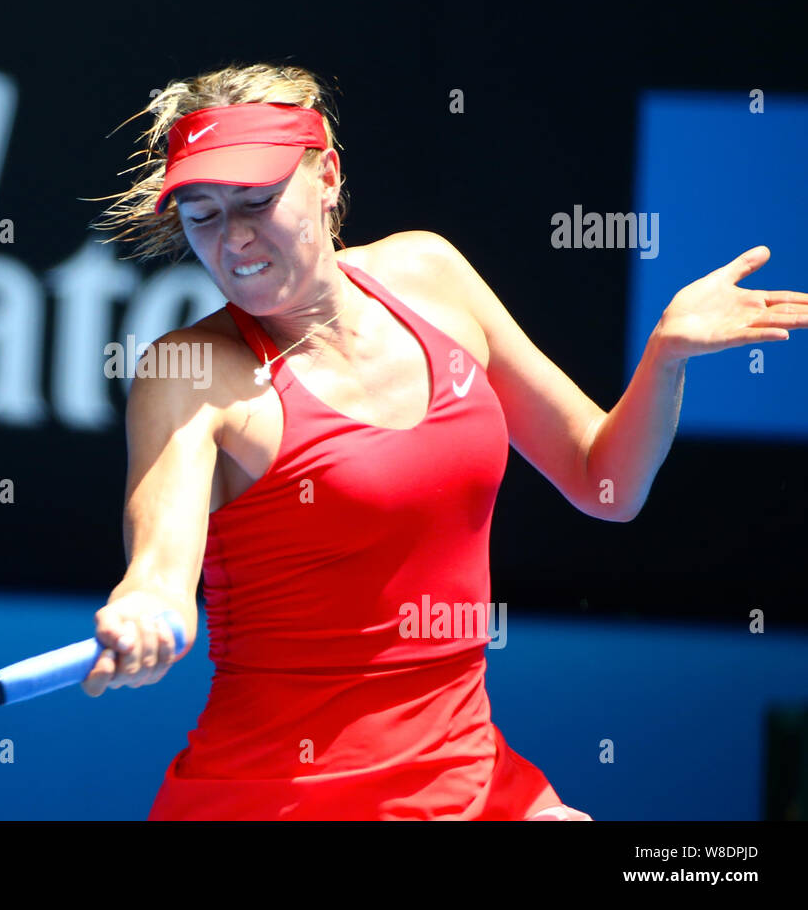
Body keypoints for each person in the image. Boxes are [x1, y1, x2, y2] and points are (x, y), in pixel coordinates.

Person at [80, 63, 806, 820]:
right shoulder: (188, 372)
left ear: (326, 175)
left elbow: (605, 483)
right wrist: (144, 612)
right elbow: (161, 575)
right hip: (276, 799)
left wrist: (666, 357)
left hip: (471, 776)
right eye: (201, 215)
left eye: (258, 202)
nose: (233, 240)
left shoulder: (431, 273)